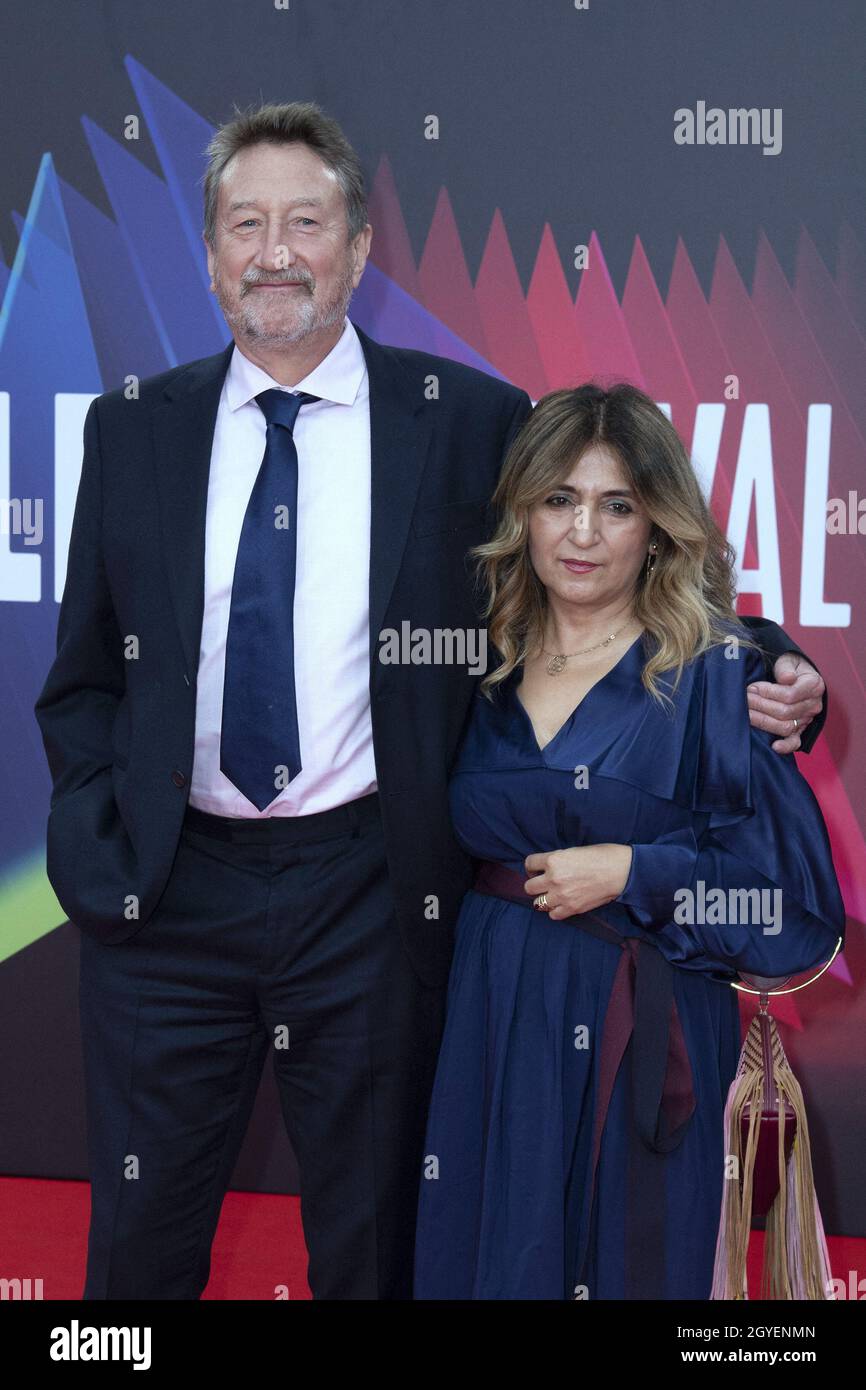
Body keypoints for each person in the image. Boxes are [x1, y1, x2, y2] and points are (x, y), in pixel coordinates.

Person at [34, 101, 828, 1301]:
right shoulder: (133, 429)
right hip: (166, 900)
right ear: (206, 254)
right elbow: (84, 673)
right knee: (134, 1256)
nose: (274, 251)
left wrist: (766, 665)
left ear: (358, 248)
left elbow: (606, 567)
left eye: (307, 220)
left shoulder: (465, 423)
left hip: (369, 900)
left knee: (377, 1245)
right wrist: (102, 839)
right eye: (244, 223)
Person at [413, 383, 844, 1301]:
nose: (582, 533)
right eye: (558, 500)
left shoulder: (718, 675)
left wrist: (635, 871)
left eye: (616, 506)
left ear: (658, 526)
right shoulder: (475, 663)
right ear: (521, 513)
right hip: (489, 1025)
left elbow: (790, 913)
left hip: (642, 1026)